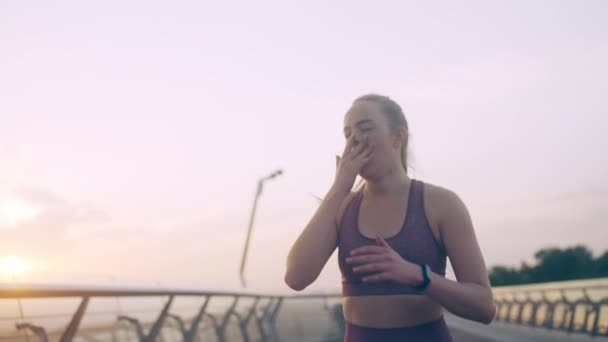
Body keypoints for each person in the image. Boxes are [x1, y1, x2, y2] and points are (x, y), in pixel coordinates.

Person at [284, 94, 496, 341]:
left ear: (397, 137)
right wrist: (340, 186)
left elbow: (484, 307)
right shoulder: (343, 206)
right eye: (347, 134)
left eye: (365, 128)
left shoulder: (442, 203)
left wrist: (418, 275)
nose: (354, 139)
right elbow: (296, 277)